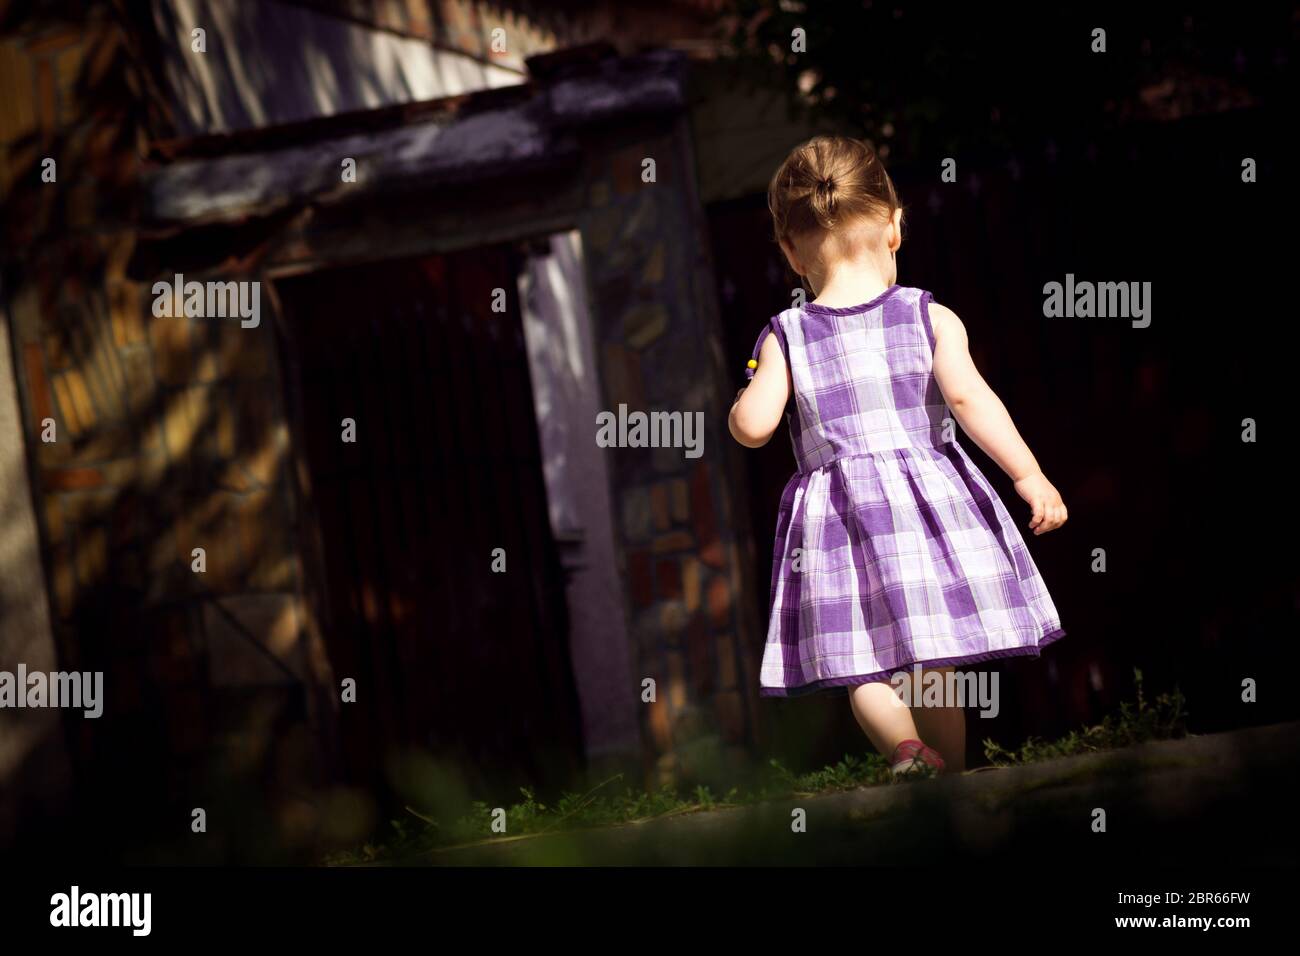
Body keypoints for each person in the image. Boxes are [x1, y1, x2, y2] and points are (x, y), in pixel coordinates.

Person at [729, 136, 1067, 775]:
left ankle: (906, 751)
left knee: (861, 657)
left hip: (837, 521)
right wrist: (1029, 474)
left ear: (791, 252)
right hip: (927, 508)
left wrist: (740, 400)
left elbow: (753, 427)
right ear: (894, 226)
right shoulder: (928, 316)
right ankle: (955, 781)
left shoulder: (787, 334)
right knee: (934, 653)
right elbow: (971, 401)